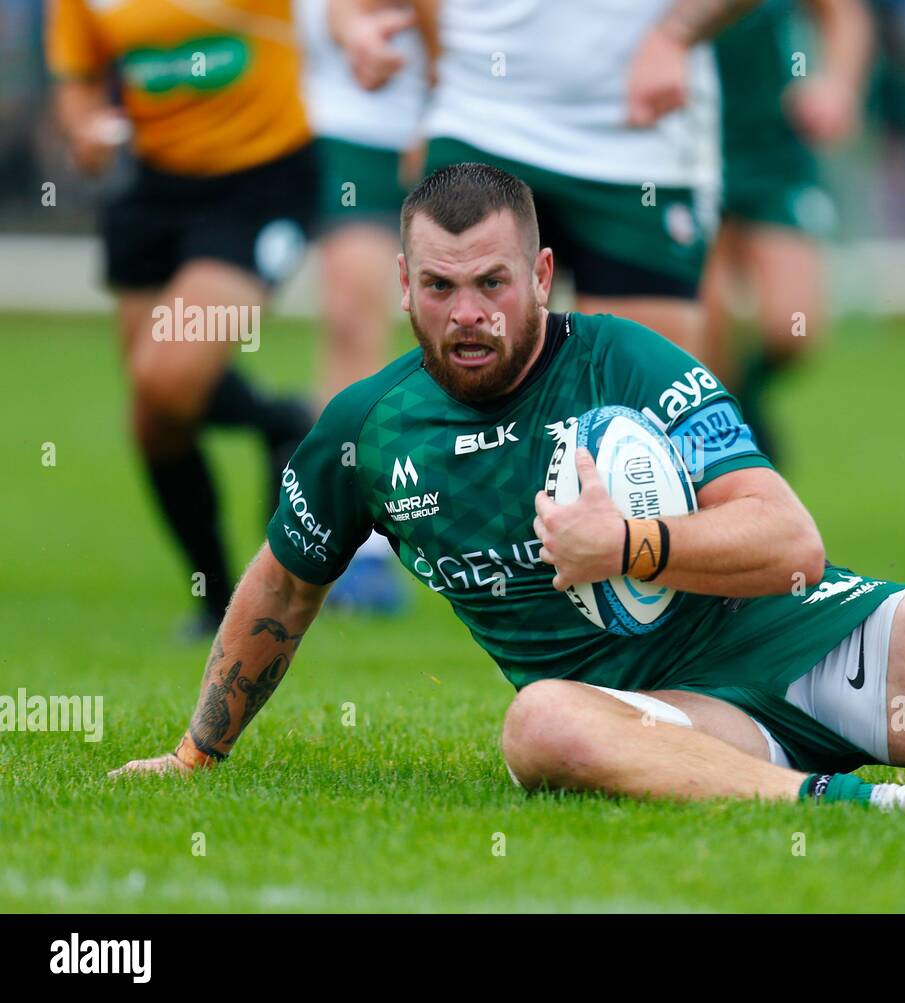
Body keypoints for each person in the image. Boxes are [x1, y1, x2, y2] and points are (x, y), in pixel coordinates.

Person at [111, 164, 905, 810]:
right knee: (540, 723)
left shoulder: (629, 359)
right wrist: (200, 753)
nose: (469, 313)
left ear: (543, 273)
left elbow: (791, 543)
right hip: (666, 724)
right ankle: (851, 809)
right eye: (439, 286)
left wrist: (625, 544)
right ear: (404, 287)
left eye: (494, 283)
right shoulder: (366, 431)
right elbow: (283, 582)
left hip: (805, 639)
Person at [47, 0, 318, 633]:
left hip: (258, 180)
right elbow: (79, 76)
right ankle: (217, 598)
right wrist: (85, 129)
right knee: (155, 419)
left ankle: (285, 427)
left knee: (165, 378)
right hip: (153, 189)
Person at [330, 0, 760, 359]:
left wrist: (677, 33)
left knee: (639, 409)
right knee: (471, 404)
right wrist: (354, 27)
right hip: (478, 122)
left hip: (639, 143)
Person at [293, 0, 430, 611]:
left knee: (483, 323)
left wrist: (444, 83)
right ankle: (358, 543)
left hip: (467, 115)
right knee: (353, 315)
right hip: (350, 119)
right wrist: (350, 29)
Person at [703, 0, 872, 460]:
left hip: (774, 144)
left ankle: (743, 407)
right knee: (706, 331)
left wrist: (837, 85)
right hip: (687, 144)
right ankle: (730, 453)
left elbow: (843, 14)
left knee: (792, 329)